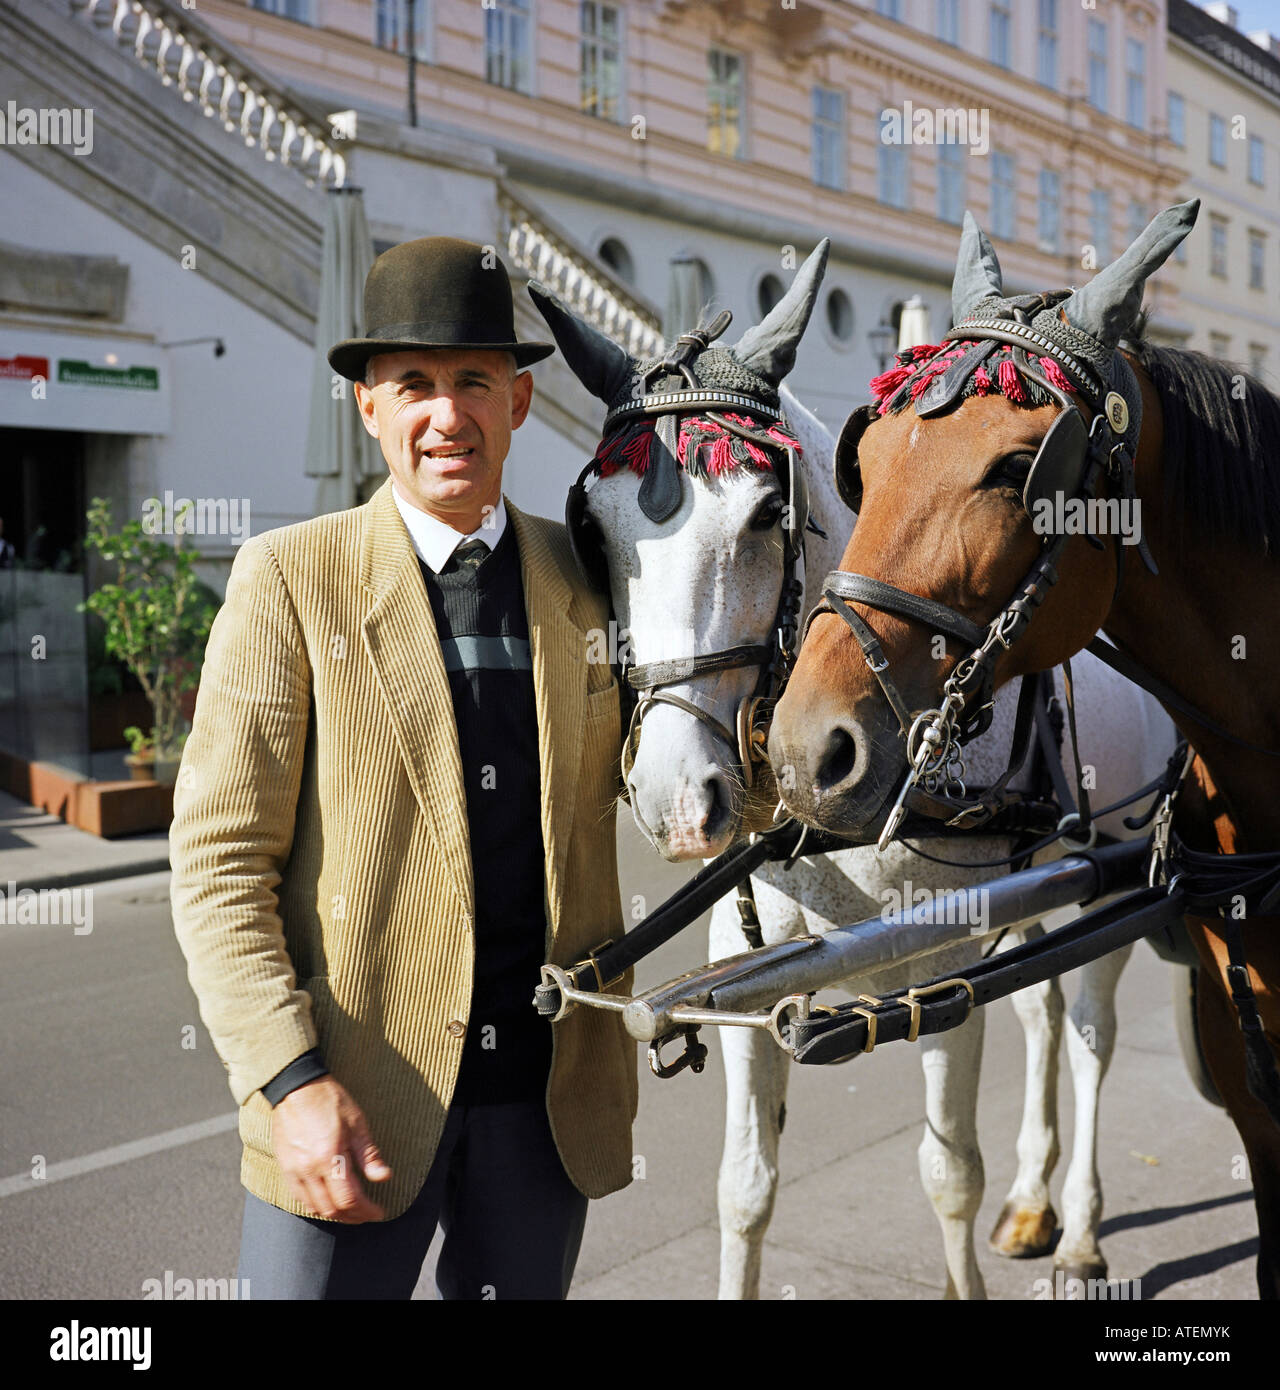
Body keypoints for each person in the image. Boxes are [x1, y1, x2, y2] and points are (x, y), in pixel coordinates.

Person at [169, 236, 637, 1300]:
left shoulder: (589, 579)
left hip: (543, 1105)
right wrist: (290, 1082)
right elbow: (217, 864)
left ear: (518, 401)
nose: (446, 414)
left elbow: (683, 779)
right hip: (352, 1099)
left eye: (472, 381)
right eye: (413, 385)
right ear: (366, 407)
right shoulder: (289, 580)